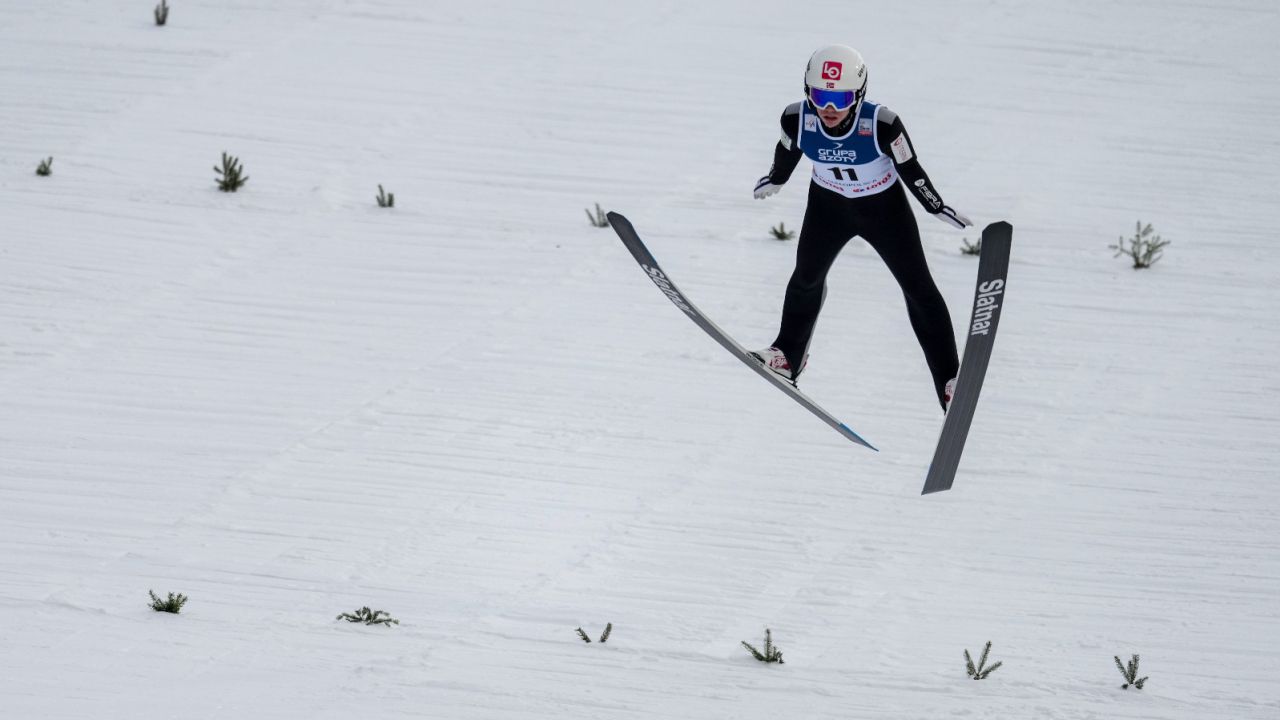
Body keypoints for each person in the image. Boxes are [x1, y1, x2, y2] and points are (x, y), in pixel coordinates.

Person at [751, 44, 973, 411]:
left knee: (918, 289)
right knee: (806, 278)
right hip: (828, 207)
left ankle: (950, 381)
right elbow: (788, 149)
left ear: (859, 94)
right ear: (808, 91)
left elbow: (910, 167)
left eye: (841, 99)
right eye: (822, 97)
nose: (830, 109)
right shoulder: (796, 117)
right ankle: (787, 356)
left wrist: (934, 205)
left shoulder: (882, 123)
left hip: (883, 210)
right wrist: (776, 178)